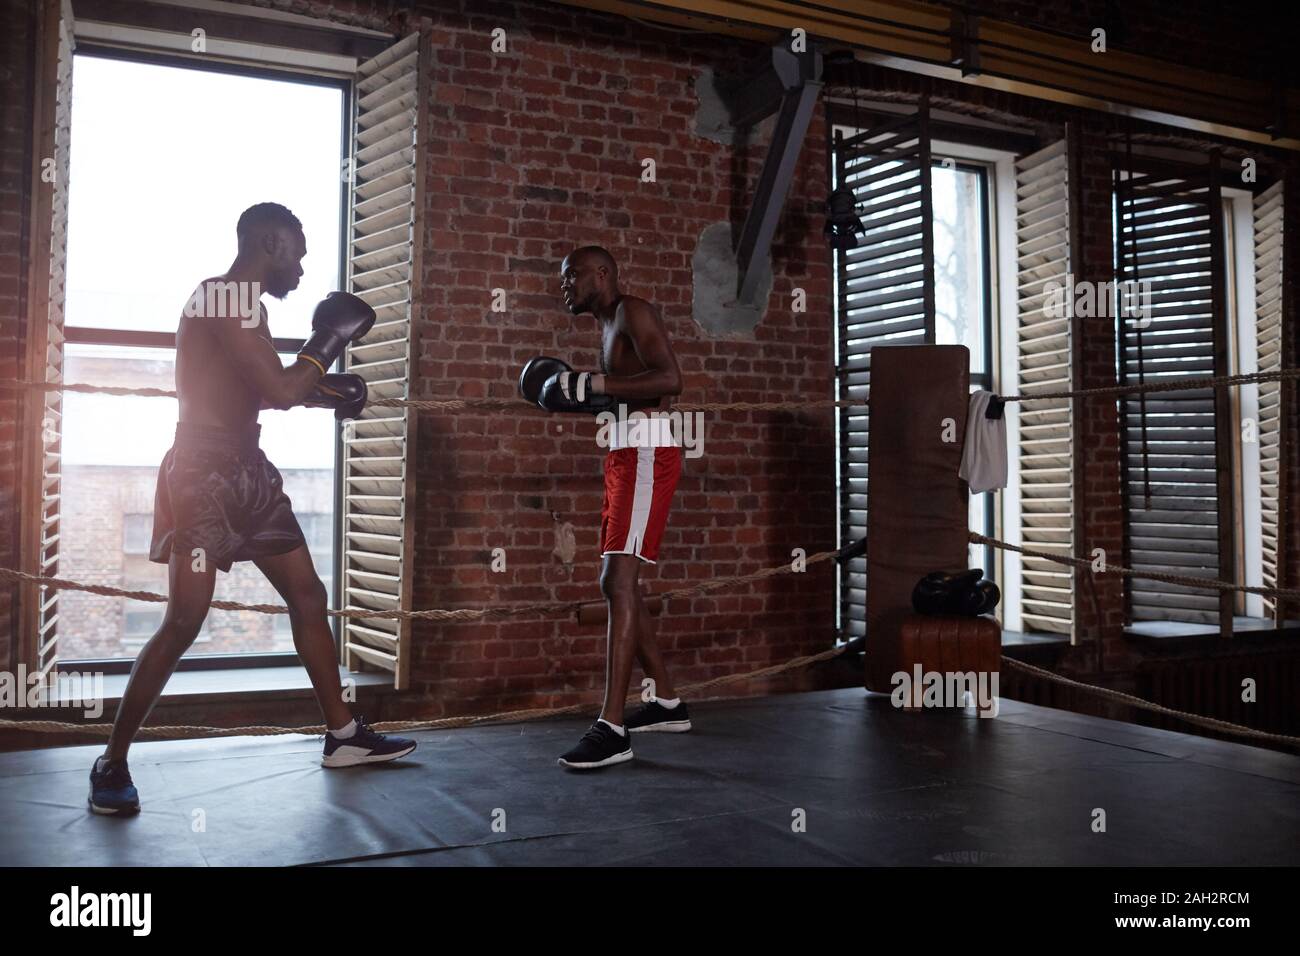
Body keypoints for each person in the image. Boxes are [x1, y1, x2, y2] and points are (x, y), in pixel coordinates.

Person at [89, 203, 415, 815]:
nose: (302, 270)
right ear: (270, 243)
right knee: (184, 620)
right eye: (298, 255)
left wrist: (327, 392)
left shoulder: (249, 308)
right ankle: (112, 761)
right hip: (201, 476)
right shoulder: (220, 297)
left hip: (249, 472)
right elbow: (280, 388)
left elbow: (258, 391)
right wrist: (328, 343)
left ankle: (343, 734)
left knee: (308, 594)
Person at [521, 245, 690, 770]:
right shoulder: (606, 324)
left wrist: (593, 383)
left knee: (617, 582)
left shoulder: (633, 312)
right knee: (620, 583)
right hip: (624, 452)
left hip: (647, 451)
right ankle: (666, 701)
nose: (565, 286)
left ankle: (612, 728)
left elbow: (670, 380)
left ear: (602, 273)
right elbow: (627, 391)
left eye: (572, 275)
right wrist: (575, 395)